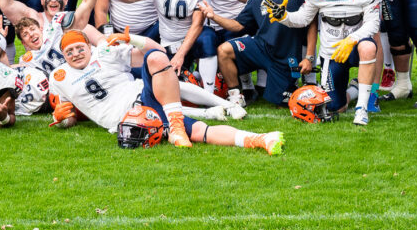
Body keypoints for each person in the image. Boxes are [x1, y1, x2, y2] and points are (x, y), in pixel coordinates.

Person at [48, 31, 283, 153]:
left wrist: (133, 39)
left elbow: (159, 52)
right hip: (130, 118)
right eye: (70, 51)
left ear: (88, 47)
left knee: (156, 57)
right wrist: (60, 119)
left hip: (143, 94)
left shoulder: (104, 53)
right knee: (199, 131)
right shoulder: (59, 76)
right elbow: (67, 119)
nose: (76, 53)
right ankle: (260, 139)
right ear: (63, 56)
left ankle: (177, 125)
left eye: (80, 47)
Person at [278, 0, 385, 124]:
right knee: (335, 106)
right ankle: (355, 89)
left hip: (356, 45)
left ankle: (361, 109)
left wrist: (352, 39)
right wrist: (283, 16)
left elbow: (372, 24)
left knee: (368, 46)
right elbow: (304, 18)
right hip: (332, 52)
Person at [202, 0, 308, 107]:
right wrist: (213, 16)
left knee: (280, 101)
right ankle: (236, 96)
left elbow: (312, 23)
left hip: (286, 57)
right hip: (260, 48)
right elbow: (238, 26)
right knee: (224, 50)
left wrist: (308, 56)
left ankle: (288, 86)